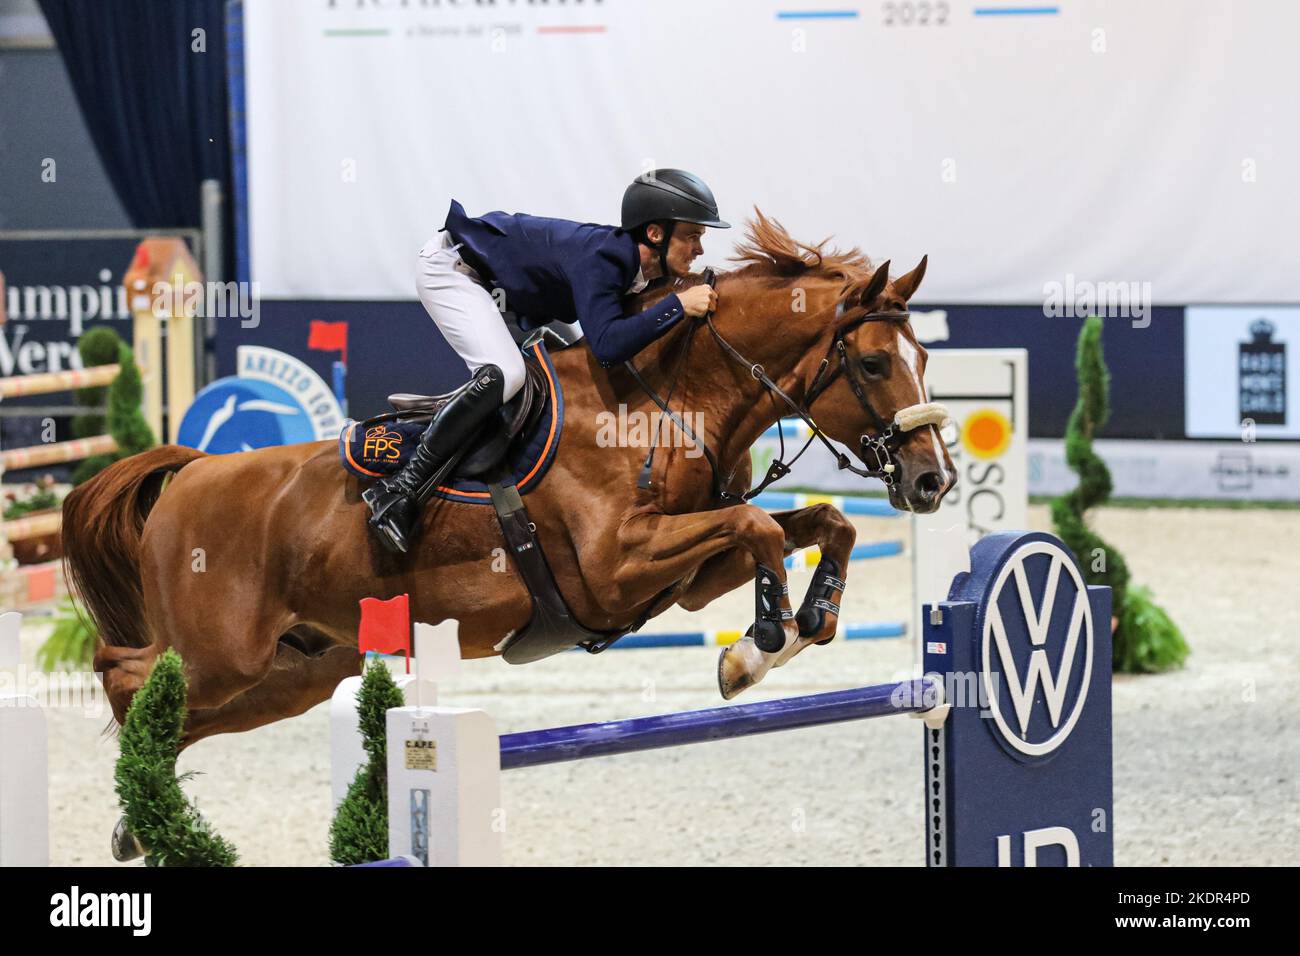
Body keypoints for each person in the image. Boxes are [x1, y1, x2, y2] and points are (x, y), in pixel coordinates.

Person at [365, 169, 730, 554]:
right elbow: (607, 346)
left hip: (504, 293)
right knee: (505, 375)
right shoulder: (604, 259)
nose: (699, 250)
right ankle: (397, 490)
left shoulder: (636, 268)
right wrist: (677, 305)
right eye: (692, 236)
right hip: (453, 271)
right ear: (655, 234)